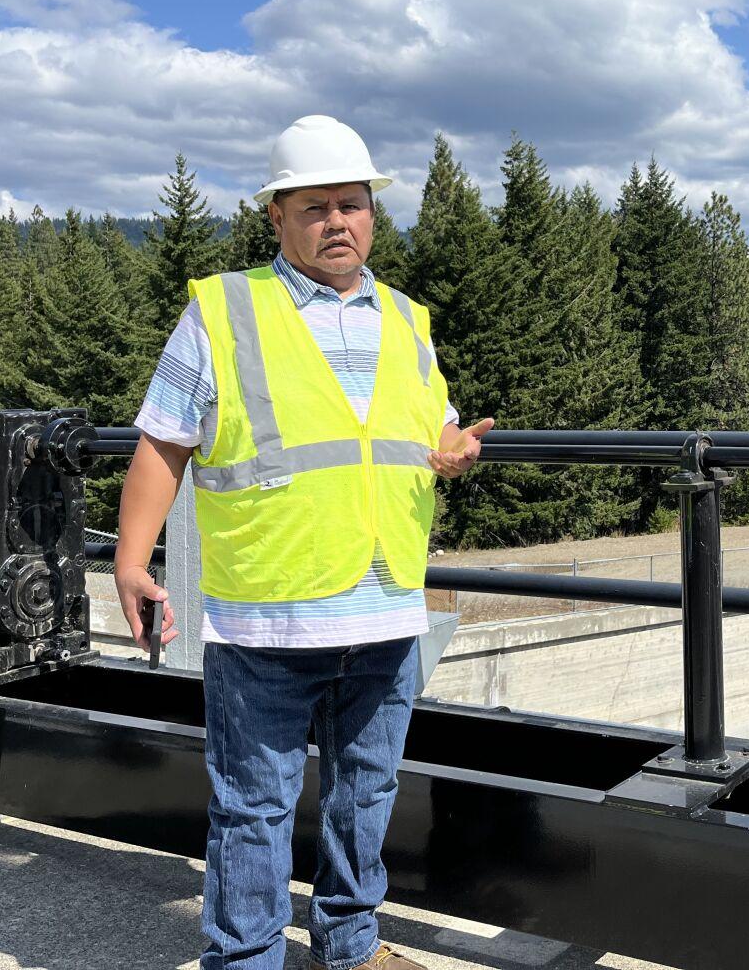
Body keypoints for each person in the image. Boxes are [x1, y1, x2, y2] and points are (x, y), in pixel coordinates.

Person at [113, 115, 494, 970]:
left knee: (367, 795)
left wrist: (456, 448)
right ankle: (244, 958)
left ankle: (351, 946)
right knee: (252, 809)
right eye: (315, 206)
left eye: (352, 204)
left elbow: (427, 427)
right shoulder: (225, 309)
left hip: (387, 606)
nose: (337, 221)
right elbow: (163, 441)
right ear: (277, 217)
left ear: (372, 213)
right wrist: (132, 561)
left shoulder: (406, 319)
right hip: (270, 621)